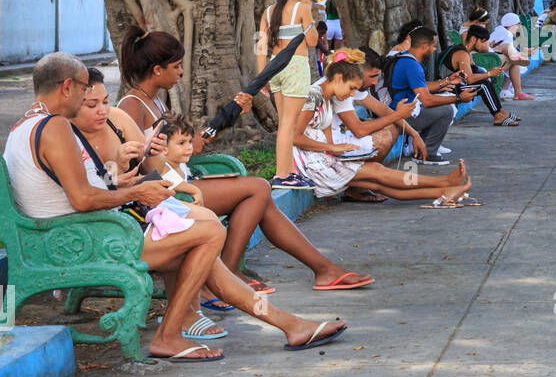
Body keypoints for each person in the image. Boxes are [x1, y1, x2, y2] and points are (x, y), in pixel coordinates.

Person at [11, 53, 347, 361]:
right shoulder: (53, 125)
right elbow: (82, 199)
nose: (87, 98)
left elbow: (75, 192)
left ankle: (289, 324)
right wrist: (138, 195)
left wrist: (127, 185)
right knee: (210, 230)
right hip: (85, 243)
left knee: (197, 240)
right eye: (85, 90)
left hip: (81, 238)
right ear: (67, 86)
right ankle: (170, 335)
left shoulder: (25, 126)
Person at [116, 32, 374, 295]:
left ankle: (321, 270)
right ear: (157, 70)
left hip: (182, 181)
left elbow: (188, 146)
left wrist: (230, 115)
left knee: (260, 197)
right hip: (167, 194)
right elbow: (132, 163)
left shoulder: (156, 101)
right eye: (176, 66)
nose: (181, 72)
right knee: (258, 189)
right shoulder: (131, 106)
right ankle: (227, 276)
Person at [295, 59, 475, 207]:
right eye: (351, 88)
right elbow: (295, 137)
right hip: (312, 163)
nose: (352, 95)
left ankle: (444, 191)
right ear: (338, 78)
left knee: (376, 184)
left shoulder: (329, 98)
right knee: (376, 172)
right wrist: (332, 147)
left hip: (325, 157)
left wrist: (337, 149)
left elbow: (329, 141)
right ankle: (443, 183)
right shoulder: (314, 96)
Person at [257, 0, 321, 190]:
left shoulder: (268, 12)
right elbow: (312, 42)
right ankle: (282, 174)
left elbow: (261, 47)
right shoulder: (302, 9)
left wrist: (261, 76)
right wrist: (310, 15)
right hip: (295, 66)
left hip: (275, 67)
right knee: (287, 125)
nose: (310, 1)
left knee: (286, 123)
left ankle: (290, 171)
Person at [387, 26, 476, 162]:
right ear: (424, 46)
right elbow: (427, 100)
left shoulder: (405, 59)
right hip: (400, 115)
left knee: (445, 104)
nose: (434, 50)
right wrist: (458, 98)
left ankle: (420, 146)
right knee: (447, 110)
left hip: (400, 111)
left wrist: (447, 81)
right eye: (433, 46)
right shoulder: (412, 65)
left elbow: (421, 87)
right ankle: (427, 153)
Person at [437, 24, 519, 126]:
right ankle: (498, 116)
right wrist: (489, 73)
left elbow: (472, 72)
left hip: (457, 83)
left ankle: (502, 112)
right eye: (483, 41)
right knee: (484, 85)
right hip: (449, 87)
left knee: (485, 82)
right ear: (473, 39)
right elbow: (470, 79)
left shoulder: (465, 52)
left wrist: (489, 74)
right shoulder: (462, 54)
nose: (486, 45)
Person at [488, 12, 533, 99]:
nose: (518, 27)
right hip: (492, 60)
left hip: (495, 58)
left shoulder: (501, 31)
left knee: (513, 58)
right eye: (517, 24)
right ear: (511, 24)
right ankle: (510, 91)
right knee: (513, 60)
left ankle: (511, 90)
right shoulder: (505, 33)